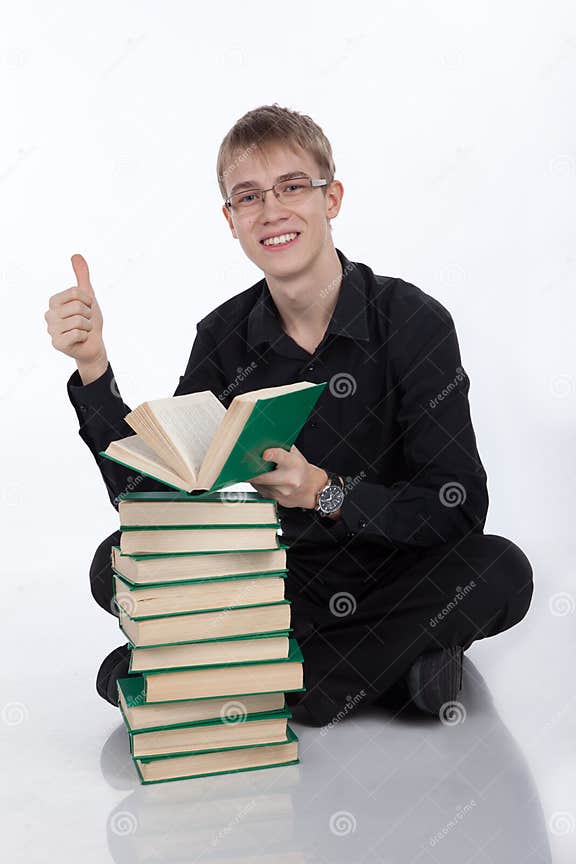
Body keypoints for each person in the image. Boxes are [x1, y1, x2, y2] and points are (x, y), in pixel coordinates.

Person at [44, 104, 533, 726]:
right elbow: (156, 504)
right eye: (249, 196)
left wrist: (325, 492)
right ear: (231, 220)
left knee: (502, 570)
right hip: (280, 583)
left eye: (292, 186)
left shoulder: (414, 321)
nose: (271, 211)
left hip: (399, 573)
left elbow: (458, 508)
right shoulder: (223, 336)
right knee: (116, 560)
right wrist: (93, 368)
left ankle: (256, 681)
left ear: (332, 199)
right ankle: (397, 672)